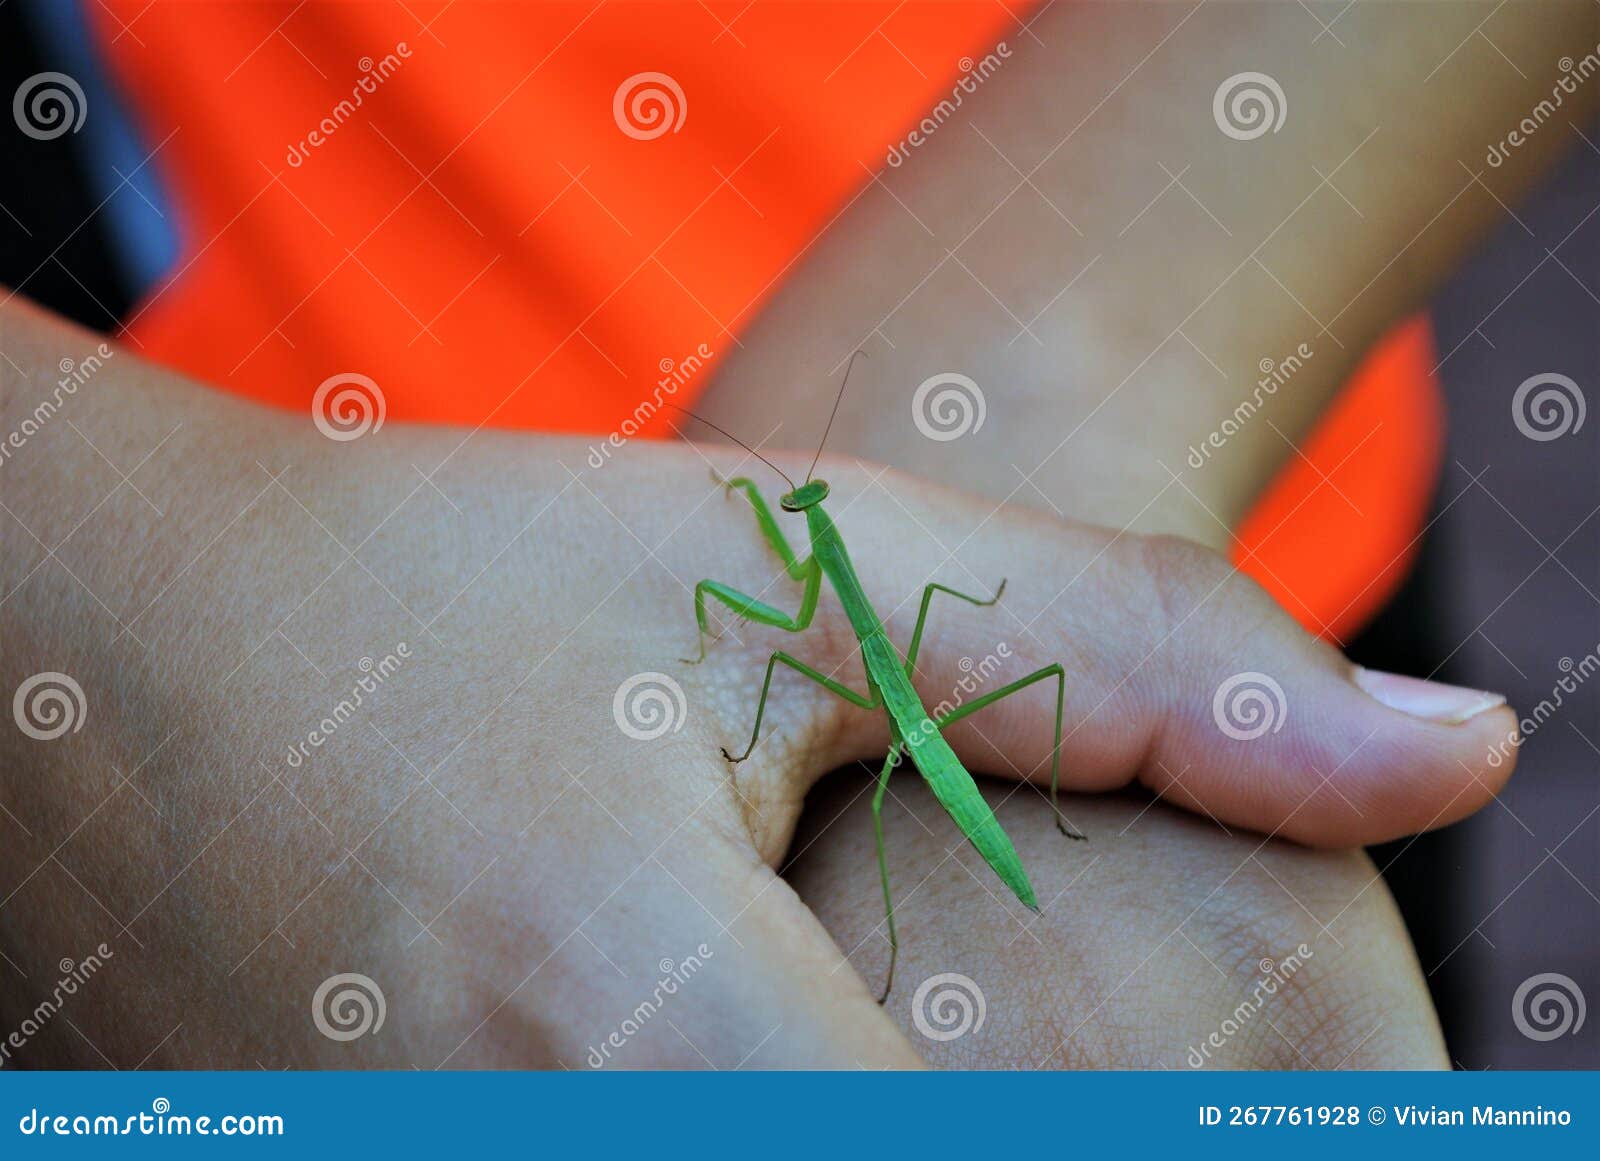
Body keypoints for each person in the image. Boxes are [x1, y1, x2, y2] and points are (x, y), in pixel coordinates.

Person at [0, 1, 1592, 1068]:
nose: (801, 512)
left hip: (1235, 525)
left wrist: (1023, 403)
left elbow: (828, 633)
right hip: (291, 545)